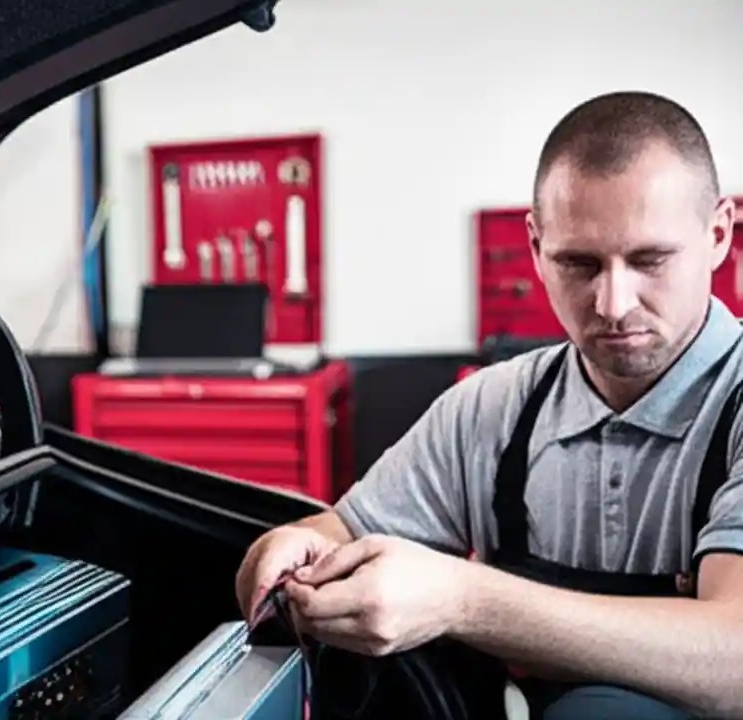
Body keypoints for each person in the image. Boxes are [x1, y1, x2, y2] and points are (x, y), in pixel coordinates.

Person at [236, 90, 743, 720]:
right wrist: (283, 552)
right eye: (578, 264)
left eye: (650, 260)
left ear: (719, 233)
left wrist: (462, 599)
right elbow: (337, 532)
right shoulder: (493, 410)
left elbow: (736, 659)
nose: (613, 302)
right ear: (535, 247)